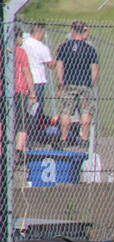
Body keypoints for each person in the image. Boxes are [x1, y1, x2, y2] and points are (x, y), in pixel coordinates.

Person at [54, 20, 98, 147]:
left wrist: (60, 83)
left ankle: (64, 138)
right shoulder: (89, 48)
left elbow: (59, 66)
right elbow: (95, 69)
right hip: (84, 83)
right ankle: (84, 139)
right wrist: (91, 83)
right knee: (85, 111)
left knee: (66, 111)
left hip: (68, 83)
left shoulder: (64, 47)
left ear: (72, 30)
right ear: (83, 31)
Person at [12, 27, 36, 157]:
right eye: (21, 37)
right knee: (21, 121)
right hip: (19, 90)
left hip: (4, 91)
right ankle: (19, 150)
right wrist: (32, 92)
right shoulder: (20, 52)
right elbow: (26, 72)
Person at [22, 23, 53, 118]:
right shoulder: (42, 47)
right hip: (38, 80)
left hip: (24, 79)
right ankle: (33, 128)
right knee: (36, 108)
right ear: (39, 32)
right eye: (43, 33)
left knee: (25, 108)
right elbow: (51, 64)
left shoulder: (24, 43)